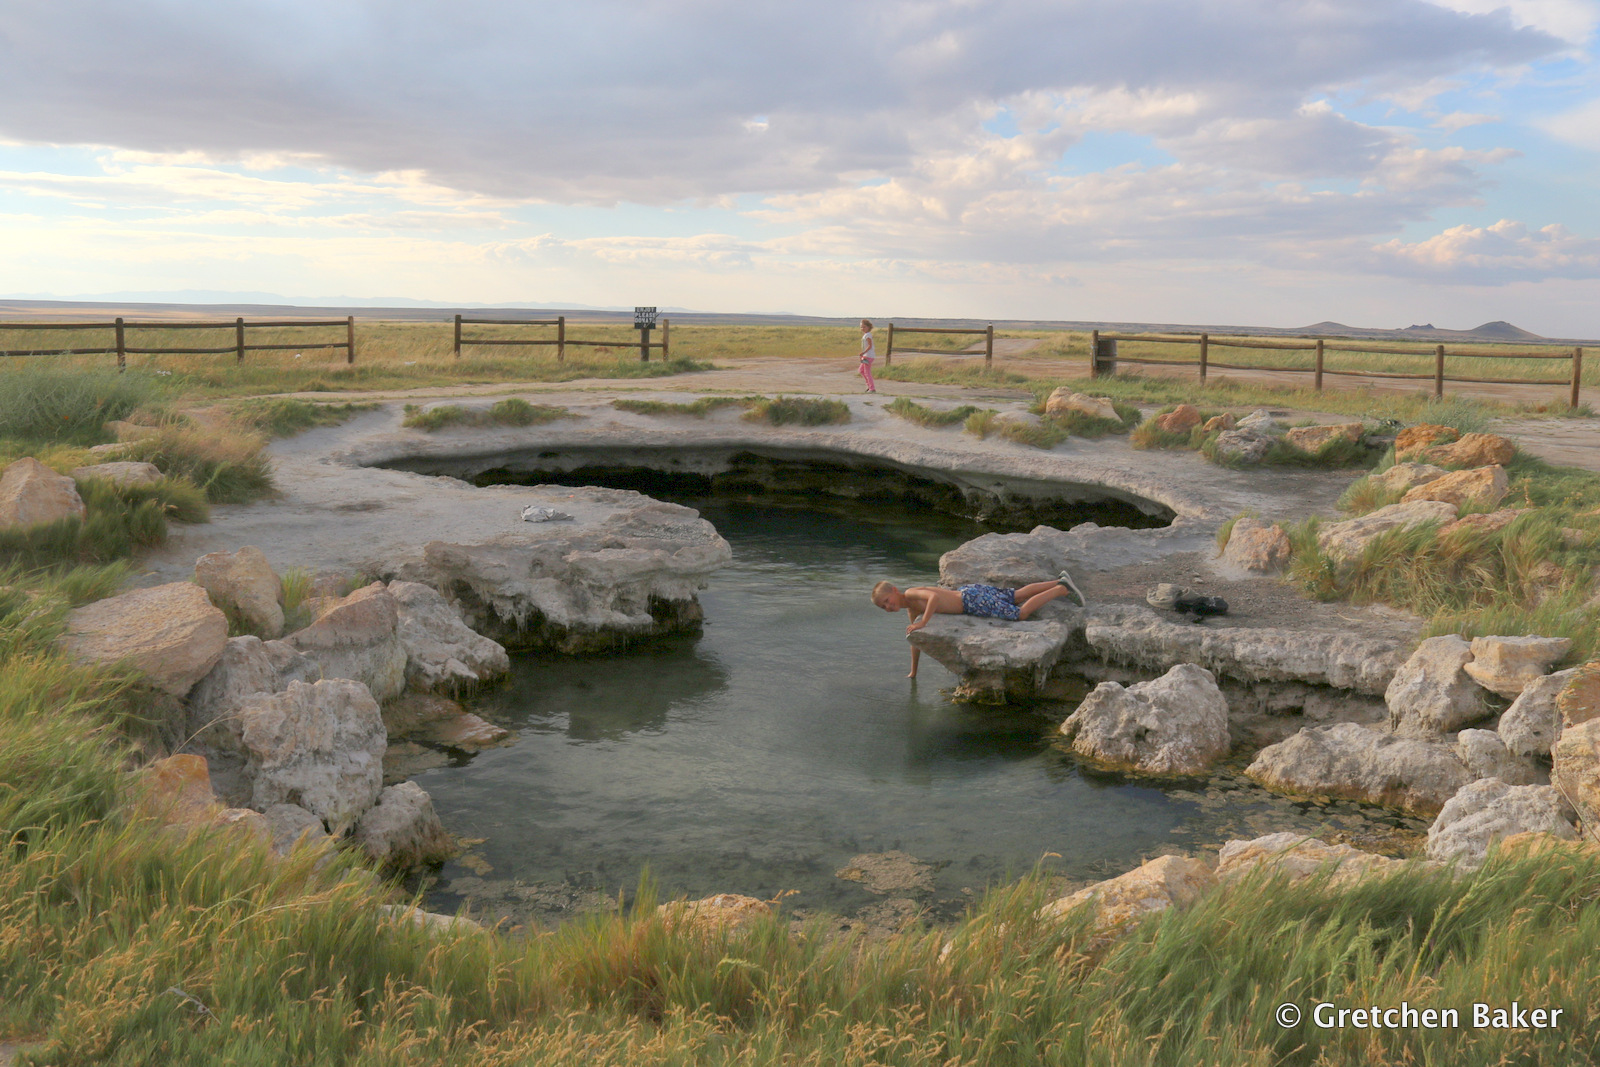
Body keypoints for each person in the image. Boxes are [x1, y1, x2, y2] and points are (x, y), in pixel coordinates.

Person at [871, 573, 1086, 677]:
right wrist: (913, 672)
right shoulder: (911, 609)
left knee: (1020, 613)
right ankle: (1060, 580)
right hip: (969, 592)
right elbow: (914, 641)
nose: (888, 607)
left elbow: (933, 599)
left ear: (895, 591)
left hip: (970, 601)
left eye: (887, 601)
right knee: (1016, 595)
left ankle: (1061, 590)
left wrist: (924, 622)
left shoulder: (910, 594)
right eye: (883, 607)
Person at [857, 318, 877, 393]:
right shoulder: (865, 335)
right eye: (861, 327)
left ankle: (872, 388)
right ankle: (869, 386)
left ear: (868, 327)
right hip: (865, 355)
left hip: (868, 355)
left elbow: (870, 345)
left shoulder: (868, 335)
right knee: (861, 370)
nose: (862, 328)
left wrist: (863, 353)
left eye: (864, 327)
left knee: (867, 372)